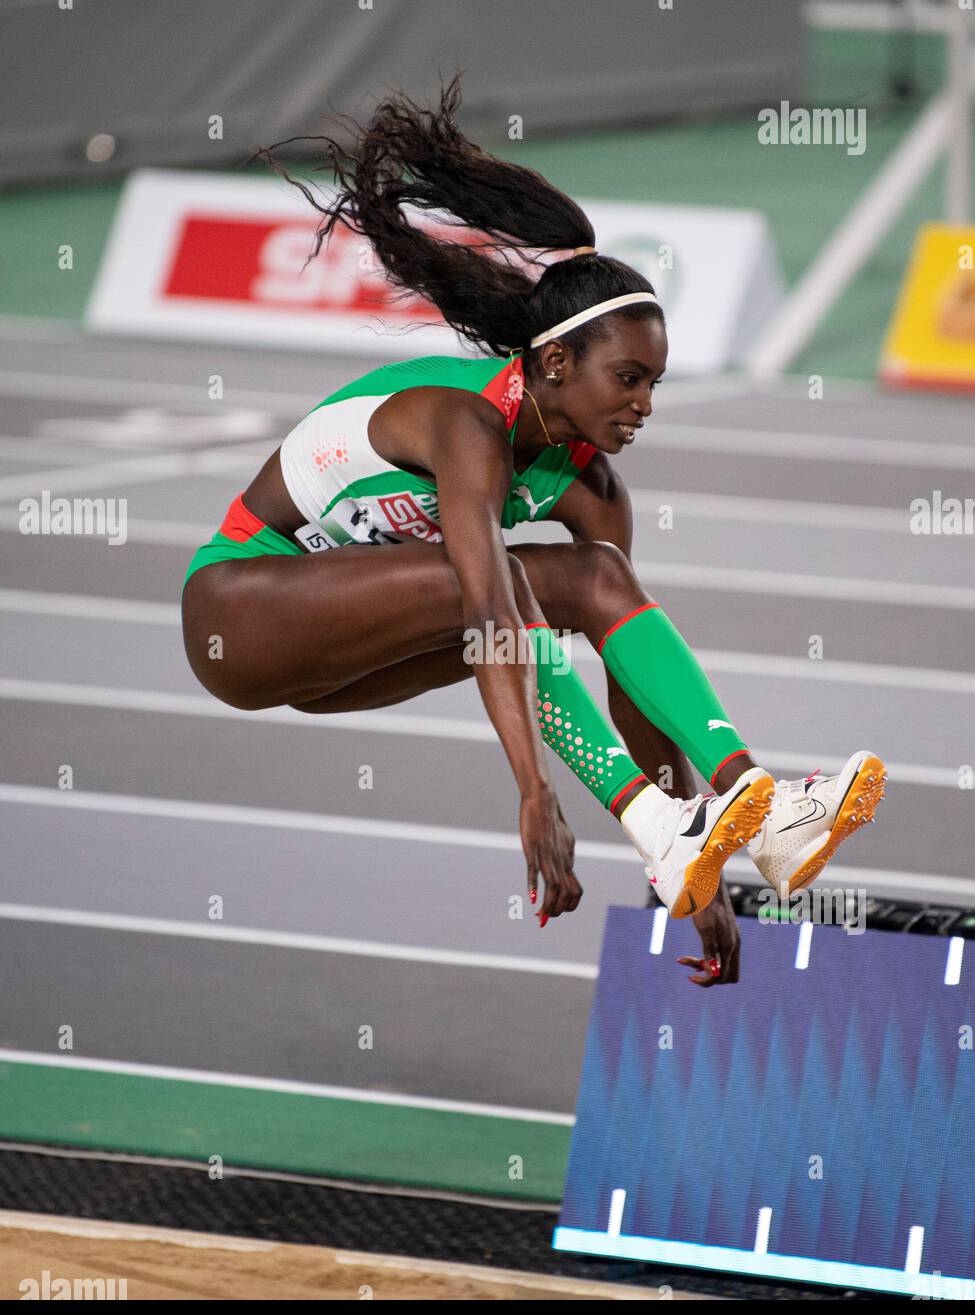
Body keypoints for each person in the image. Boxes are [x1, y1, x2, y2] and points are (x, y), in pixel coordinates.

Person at [180, 77, 886, 987]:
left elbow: (629, 678)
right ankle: (672, 822)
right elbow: (487, 607)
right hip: (239, 615)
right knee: (509, 583)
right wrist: (533, 791)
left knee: (590, 578)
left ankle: (750, 808)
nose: (642, 406)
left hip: (343, 660)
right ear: (554, 363)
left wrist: (692, 869)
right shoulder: (462, 424)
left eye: (654, 386)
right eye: (627, 379)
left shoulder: (591, 486)